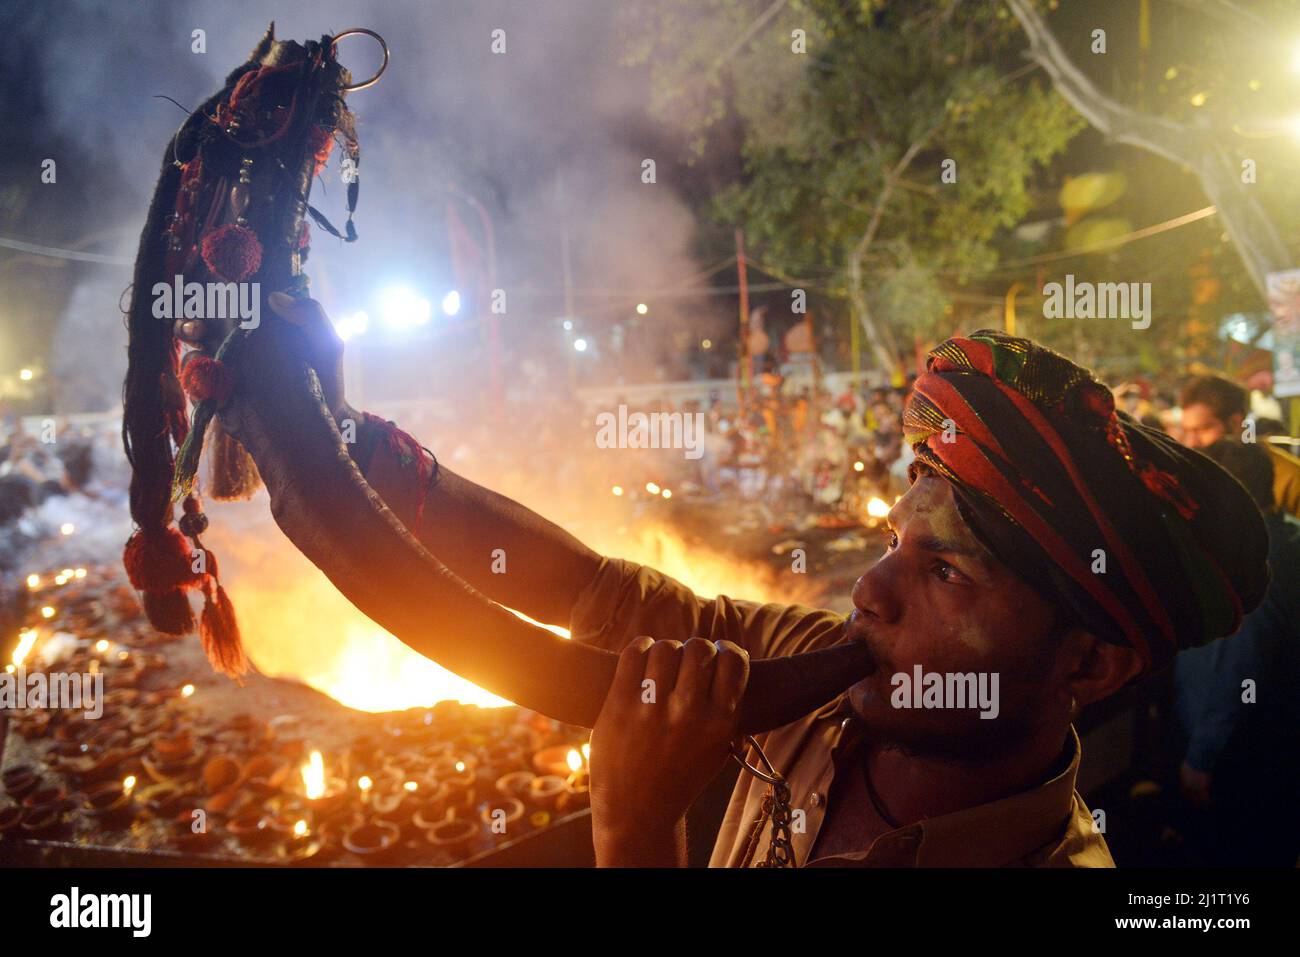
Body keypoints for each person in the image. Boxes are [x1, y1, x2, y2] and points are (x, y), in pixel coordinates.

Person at [178, 306, 1270, 867]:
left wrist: (639, 826)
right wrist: (342, 442)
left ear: (1091, 662)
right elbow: (595, 594)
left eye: (945, 572)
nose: (872, 593)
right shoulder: (815, 679)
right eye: (897, 542)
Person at [1173, 439, 1300, 866]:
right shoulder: (1290, 542)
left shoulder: (1246, 566)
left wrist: (1200, 759)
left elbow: (1240, 669)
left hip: (1241, 761)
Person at [1178, 373, 1300, 519]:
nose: (1191, 442)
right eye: (1186, 431)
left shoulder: (1291, 478)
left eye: (1202, 430)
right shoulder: (1192, 473)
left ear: (1235, 423)